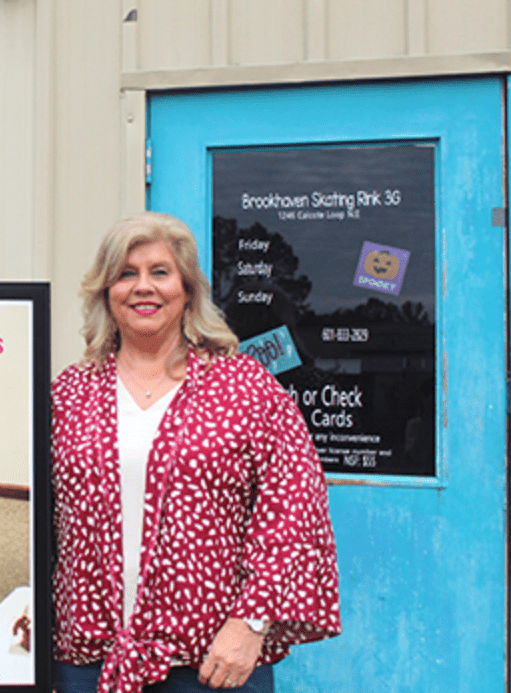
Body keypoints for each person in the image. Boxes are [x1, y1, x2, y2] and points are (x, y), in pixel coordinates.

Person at [51, 212, 340, 693]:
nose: (143, 287)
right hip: (89, 662)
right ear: (106, 291)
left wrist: (251, 624)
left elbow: (293, 508)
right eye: (126, 274)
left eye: (159, 272)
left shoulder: (244, 388)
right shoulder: (70, 393)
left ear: (186, 289)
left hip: (212, 663)